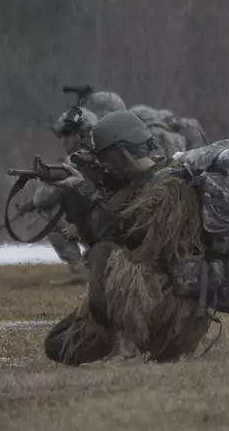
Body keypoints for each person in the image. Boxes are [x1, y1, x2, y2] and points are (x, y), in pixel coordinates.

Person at [41, 110, 218, 366]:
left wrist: (91, 197)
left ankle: (128, 348)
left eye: (107, 158)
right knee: (58, 344)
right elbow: (100, 232)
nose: (106, 165)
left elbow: (131, 238)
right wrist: (78, 199)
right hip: (150, 299)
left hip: (171, 305)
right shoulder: (132, 186)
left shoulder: (169, 183)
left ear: (122, 152)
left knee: (104, 253)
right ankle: (124, 339)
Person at [20, 105, 98, 284]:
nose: (62, 141)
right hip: (115, 227)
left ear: (82, 134)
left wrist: (52, 187)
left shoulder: (77, 161)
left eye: (67, 134)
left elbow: (43, 199)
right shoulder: (110, 153)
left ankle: (79, 267)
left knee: (48, 210)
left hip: (104, 226)